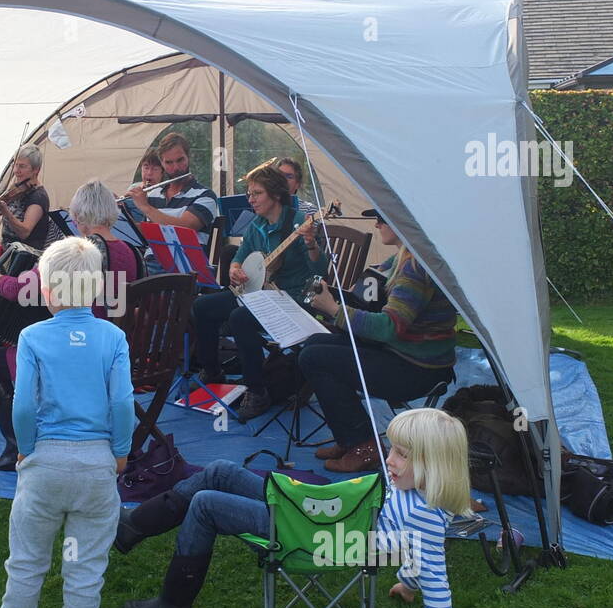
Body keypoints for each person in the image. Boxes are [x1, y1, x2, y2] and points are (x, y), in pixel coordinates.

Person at [117, 407, 472, 608]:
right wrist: (408, 586)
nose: (389, 459)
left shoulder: (423, 516)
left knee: (207, 504)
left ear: (432, 465)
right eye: (391, 449)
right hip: (329, 519)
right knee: (220, 471)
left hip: (318, 543)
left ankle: (173, 606)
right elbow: (415, 555)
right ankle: (131, 526)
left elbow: (438, 586)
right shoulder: (413, 491)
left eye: (401, 455)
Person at [0, 237, 134, 608]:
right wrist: (121, 453)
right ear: (96, 289)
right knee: (87, 564)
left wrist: (26, 449)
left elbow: (24, 406)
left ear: (44, 289)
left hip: (44, 464)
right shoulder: (114, 337)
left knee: (27, 560)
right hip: (96, 465)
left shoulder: (32, 337)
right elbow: (123, 403)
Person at [0, 179, 142, 472]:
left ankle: (16, 446)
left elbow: (22, 291)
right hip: (116, 350)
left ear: (78, 217)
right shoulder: (131, 252)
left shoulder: (79, 253)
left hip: (77, 353)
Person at [301, 208, 457, 472]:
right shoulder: (402, 259)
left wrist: (334, 309)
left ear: (401, 222)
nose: (376, 225)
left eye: (381, 219)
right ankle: (350, 438)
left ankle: (365, 446)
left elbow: (388, 327)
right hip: (404, 353)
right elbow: (367, 296)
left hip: (418, 369)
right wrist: (338, 296)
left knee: (314, 358)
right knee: (315, 343)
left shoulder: (415, 268)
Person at [192, 161, 327, 420]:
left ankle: (257, 390)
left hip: (293, 298)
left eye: (257, 193)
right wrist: (234, 269)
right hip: (261, 293)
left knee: (239, 318)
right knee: (202, 307)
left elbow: (321, 270)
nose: (251, 199)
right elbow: (239, 257)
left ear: (275, 194)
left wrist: (311, 244)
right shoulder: (257, 224)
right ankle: (212, 372)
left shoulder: (298, 223)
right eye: (249, 194)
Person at [124, 132, 219, 247]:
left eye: (180, 160)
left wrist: (145, 206)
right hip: (152, 260)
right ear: (162, 164)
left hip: (188, 261)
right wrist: (121, 213)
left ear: (188, 157)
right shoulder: (154, 195)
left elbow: (185, 228)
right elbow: (145, 233)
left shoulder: (205, 196)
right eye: (169, 162)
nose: (176, 168)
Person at [0, 143, 51, 249]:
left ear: (36, 169)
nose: (16, 171)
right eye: (15, 165)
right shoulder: (18, 186)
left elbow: (24, 232)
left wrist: (6, 212)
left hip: (24, 255)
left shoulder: (38, 197)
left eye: (22, 166)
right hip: (6, 249)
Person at [273, 155, 318, 220]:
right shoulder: (265, 206)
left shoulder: (309, 210)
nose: (283, 179)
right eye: (280, 175)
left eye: (289, 177)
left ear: (297, 184)